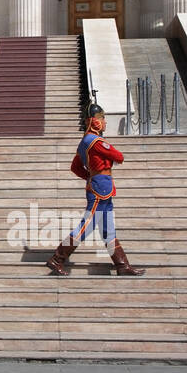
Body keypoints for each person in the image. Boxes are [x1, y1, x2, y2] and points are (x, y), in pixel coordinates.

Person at [45, 103, 144, 276]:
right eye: (101, 118)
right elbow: (119, 157)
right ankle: (57, 259)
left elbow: (75, 167)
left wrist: (89, 176)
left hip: (100, 185)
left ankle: (122, 265)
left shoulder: (84, 142)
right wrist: (93, 176)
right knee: (87, 226)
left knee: (108, 230)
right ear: (93, 121)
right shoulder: (96, 141)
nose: (104, 122)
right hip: (100, 187)